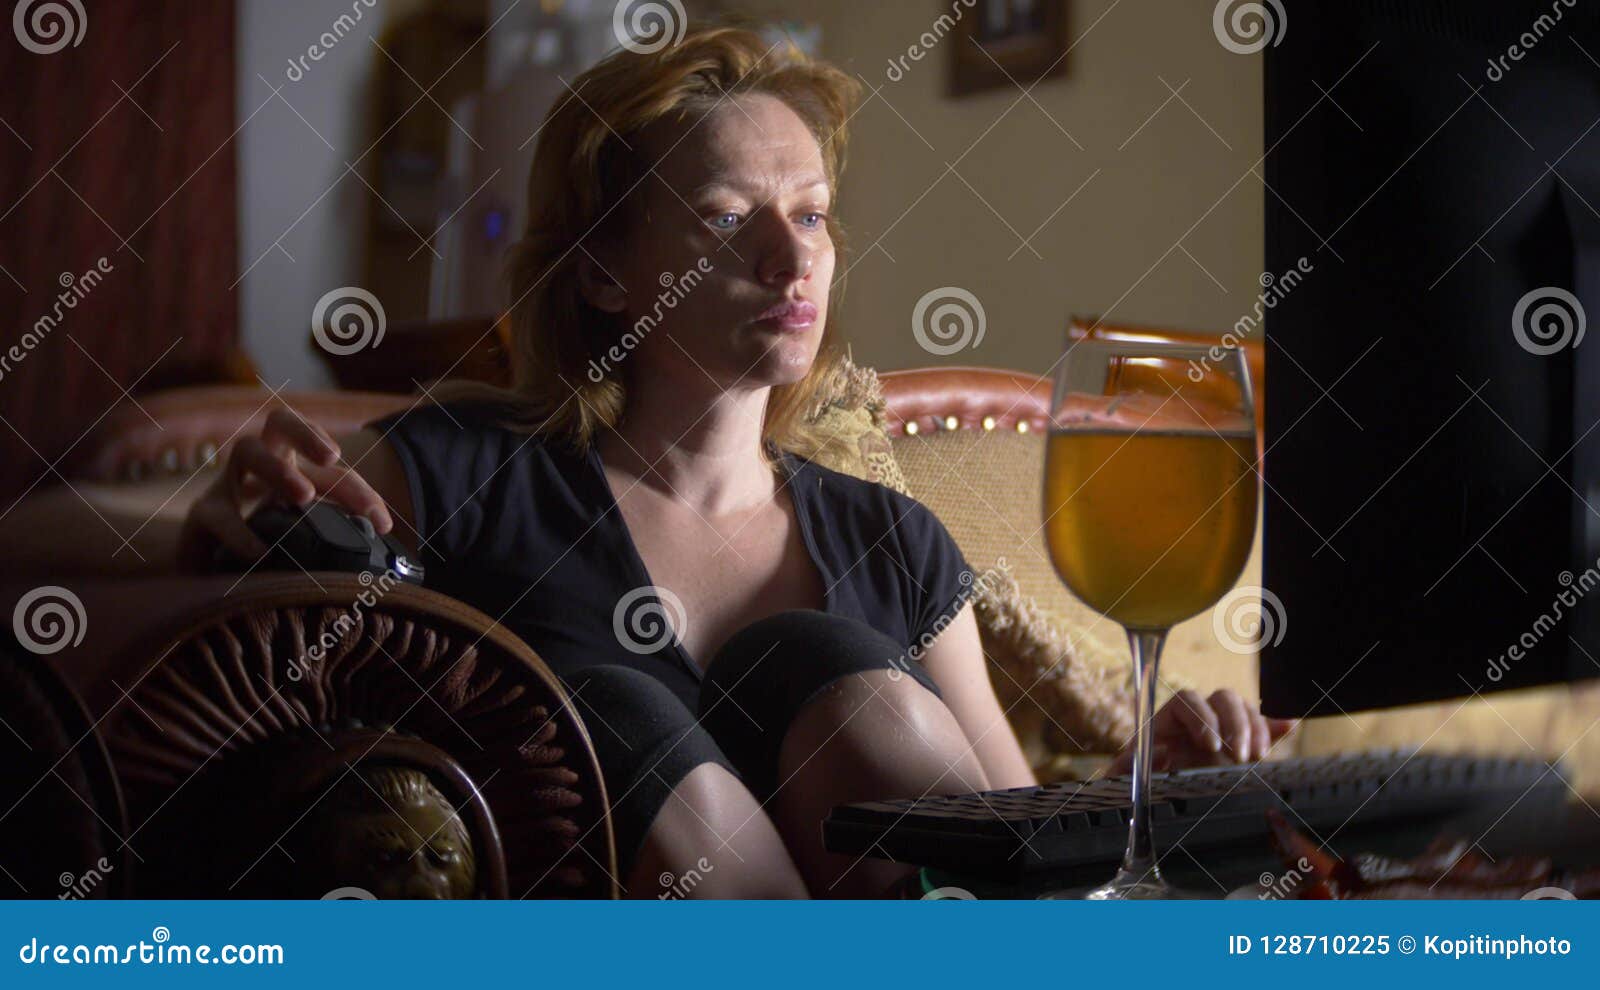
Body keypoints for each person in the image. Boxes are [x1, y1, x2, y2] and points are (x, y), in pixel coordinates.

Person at [177, 27, 1291, 898]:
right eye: (724, 220)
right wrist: (225, 501)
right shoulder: (473, 469)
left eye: (812, 214)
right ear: (604, 275)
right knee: (610, 700)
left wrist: (1159, 781)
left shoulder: (889, 536)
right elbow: (43, 530)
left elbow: (1012, 827)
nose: (789, 255)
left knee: (826, 662)